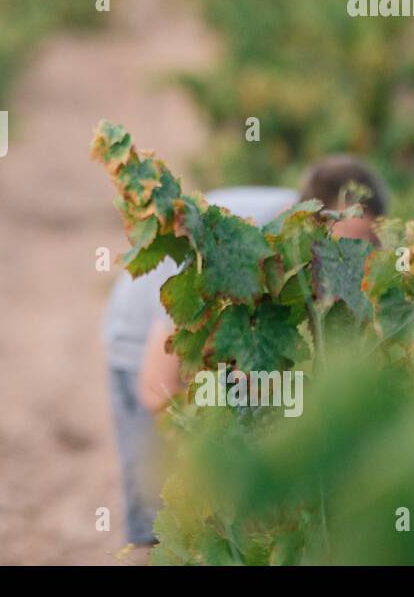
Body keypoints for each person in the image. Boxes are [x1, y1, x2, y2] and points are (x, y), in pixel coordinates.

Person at [99, 157, 389, 547]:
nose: (352, 263)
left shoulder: (320, 234)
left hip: (222, 345)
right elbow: (155, 387)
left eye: (364, 249)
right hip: (141, 334)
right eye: (344, 249)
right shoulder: (234, 254)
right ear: (311, 227)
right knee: (158, 522)